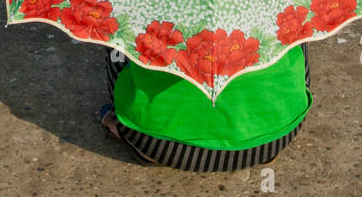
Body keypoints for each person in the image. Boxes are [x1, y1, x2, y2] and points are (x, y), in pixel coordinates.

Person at [101, 46, 312, 171]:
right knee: (302, 26)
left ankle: (125, 120)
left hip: (154, 142)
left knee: (113, 23)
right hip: (274, 137)